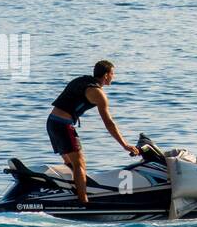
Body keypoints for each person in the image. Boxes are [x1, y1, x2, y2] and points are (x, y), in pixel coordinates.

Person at [47, 59, 139, 205]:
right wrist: (125, 145)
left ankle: (71, 193)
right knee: (79, 164)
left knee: (71, 163)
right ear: (106, 75)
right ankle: (83, 202)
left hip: (52, 122)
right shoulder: (98, 93)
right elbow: (109, 123)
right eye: (112, 73)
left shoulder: (81, 80)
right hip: (63, 125)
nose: (113, 76)